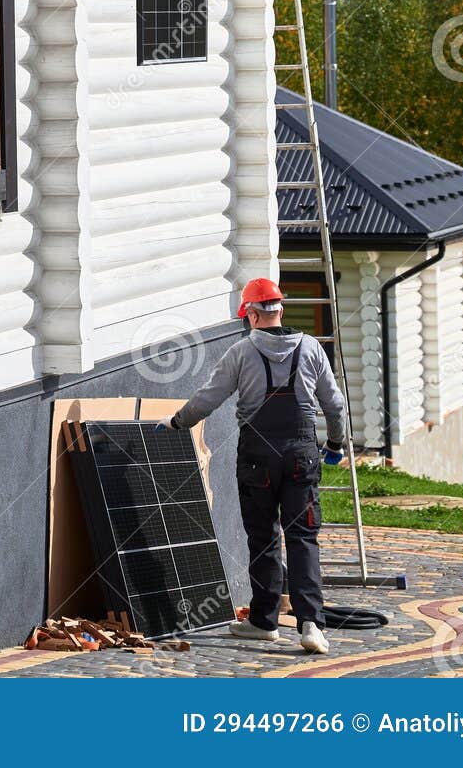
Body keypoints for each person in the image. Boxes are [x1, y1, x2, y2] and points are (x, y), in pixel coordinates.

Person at [170, 276, 347, 656]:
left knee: (263, 537)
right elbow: (334, 404)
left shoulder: (240, 352)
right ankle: (311, 625)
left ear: (251, 314)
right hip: (302, 453)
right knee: (303, 537)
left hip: (257, 457)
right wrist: (334, 444)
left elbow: (207, 400)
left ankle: (264, 622)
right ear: (280, 309)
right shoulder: (312, 348)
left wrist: (176, 422)